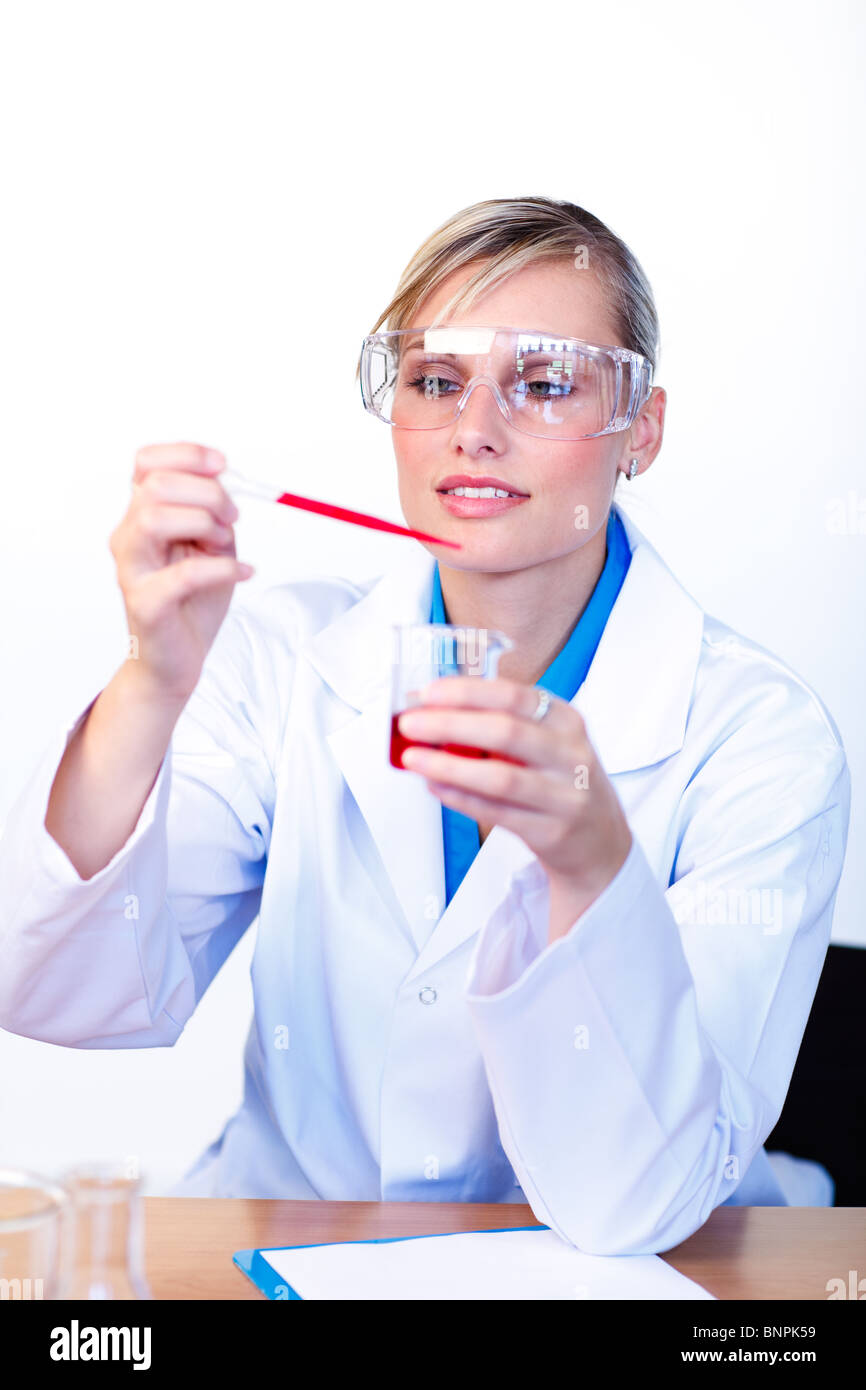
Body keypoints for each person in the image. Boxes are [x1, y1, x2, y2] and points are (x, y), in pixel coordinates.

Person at [0, 197, 850, 1255]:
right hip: (289, 1252)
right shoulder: (282, 658)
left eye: (541, 384)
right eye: (435, 381)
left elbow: (639, 1197)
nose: (473, 427)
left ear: (642, 428)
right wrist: (150, 681)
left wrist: (590, 865)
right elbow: (49, 985)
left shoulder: (756, 736)